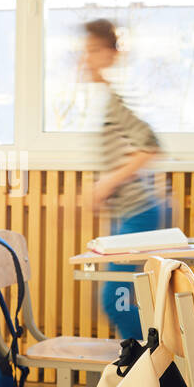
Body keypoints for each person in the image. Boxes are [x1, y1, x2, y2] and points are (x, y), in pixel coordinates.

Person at [80, 18, 164, 339]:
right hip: (127, 214)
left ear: (110, 53)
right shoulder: (108, 96)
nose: (85, 58)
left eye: (92, 51)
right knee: (127, 299)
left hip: (139, 212)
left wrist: (107, 182)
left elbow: (150, 145)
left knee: (117, 301)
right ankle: (143, 367)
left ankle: (147, 366)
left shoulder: (117, 99)